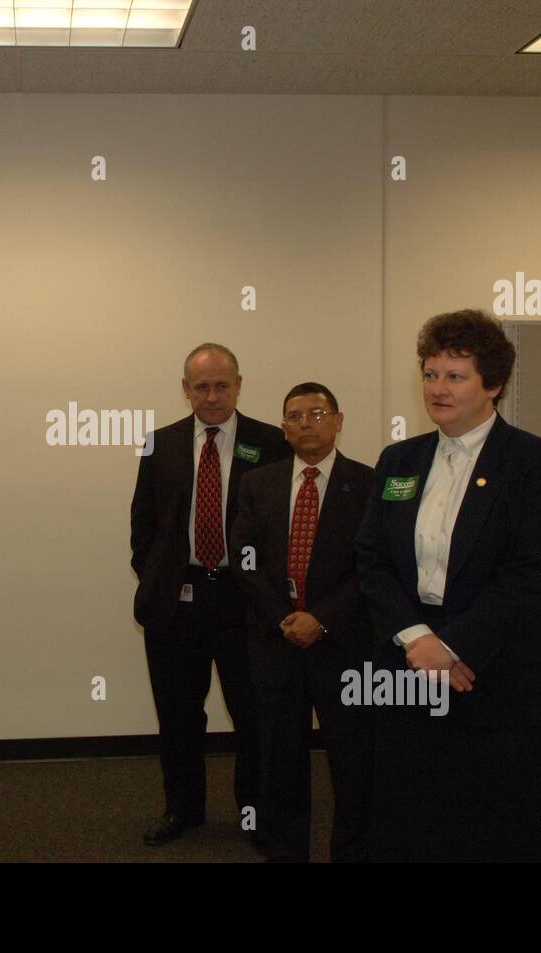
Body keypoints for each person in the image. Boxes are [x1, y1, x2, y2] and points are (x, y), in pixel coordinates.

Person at [353, 309, 541, 862]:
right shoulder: (399, 460)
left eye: (455, 376)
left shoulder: (538, 462)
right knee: (420, 815)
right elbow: (371, 556)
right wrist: (417, 639)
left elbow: (535, 569)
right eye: (430, 373)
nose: (438, 388)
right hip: (414, 663)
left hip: (509, 670)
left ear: (494, 384)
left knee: (506, 824)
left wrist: (452, 644)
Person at [130, 343, 288, 845]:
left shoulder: (271, 442)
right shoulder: (160, 444)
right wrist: (159, 575)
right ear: (185, 390)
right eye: (202, 386)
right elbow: (143, 526)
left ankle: (255, 813)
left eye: (223, 385)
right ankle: (183, 810)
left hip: (246, 600)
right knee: (178, 714)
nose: (213, 396)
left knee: (252, 713)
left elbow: (278, 528)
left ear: (239, 385)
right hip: (179, 599)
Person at [231, 383, 375, 862]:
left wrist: (322, 618)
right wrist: (284, 620)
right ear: (284, 429)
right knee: (280, 758)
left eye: (317, 413)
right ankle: (286, 850)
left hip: (345, 643)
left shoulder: (369, 484)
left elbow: (373, 566)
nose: (306, 423)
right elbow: (244, 559)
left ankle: (351, 853)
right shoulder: (258, 484)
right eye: (295, 416)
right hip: (277, 642)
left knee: (352, 761)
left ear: (338, 420)